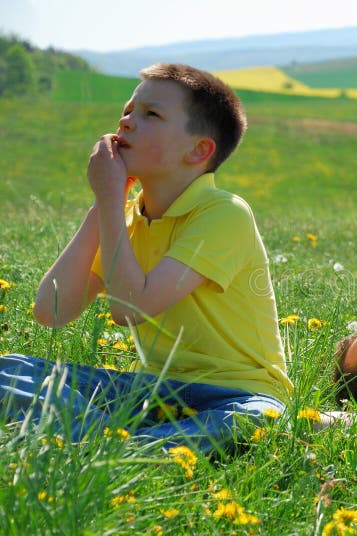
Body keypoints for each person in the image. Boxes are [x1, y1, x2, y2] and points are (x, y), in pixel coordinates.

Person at [0, 63, 293, 453]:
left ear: (198, 150)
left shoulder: (225, 213)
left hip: (236, 395)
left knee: (254, 420)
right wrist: (106, 203)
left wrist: (108, 199)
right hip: (151, 393)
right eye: (127, 110)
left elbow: (130, 308)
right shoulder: (124, 218)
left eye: (151, 114)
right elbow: (51, 310)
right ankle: (127, 445)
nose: (126, 123)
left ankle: (106, 443)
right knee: (10, 368)